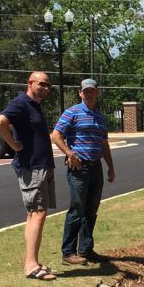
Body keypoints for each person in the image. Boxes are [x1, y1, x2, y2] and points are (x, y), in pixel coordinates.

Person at [0, 71, 57, 280]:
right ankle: (30, 266)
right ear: (30, 83)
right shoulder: (21, 102)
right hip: (32, 167)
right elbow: (0, 122)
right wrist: (13, 144)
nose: (45, 88)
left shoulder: (34, 105)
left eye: (48, 86)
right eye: (41, 84)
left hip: (41, 165)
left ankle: (33, 262)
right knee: (37, 213)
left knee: (35, 214)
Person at [50, 78, 116, 266]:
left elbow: (104, 144)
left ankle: (86, 249)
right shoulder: (72, 113)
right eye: (85, 91)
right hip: (79, 169)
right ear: (80, 93)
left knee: (91, 211)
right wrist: (70, 154)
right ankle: (67, 253)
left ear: (97, 93)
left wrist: (110, 167)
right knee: (77, 210)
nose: (89, 94)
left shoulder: (100, 118)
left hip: (96, 167)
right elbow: (56, 135)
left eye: (92, 91)